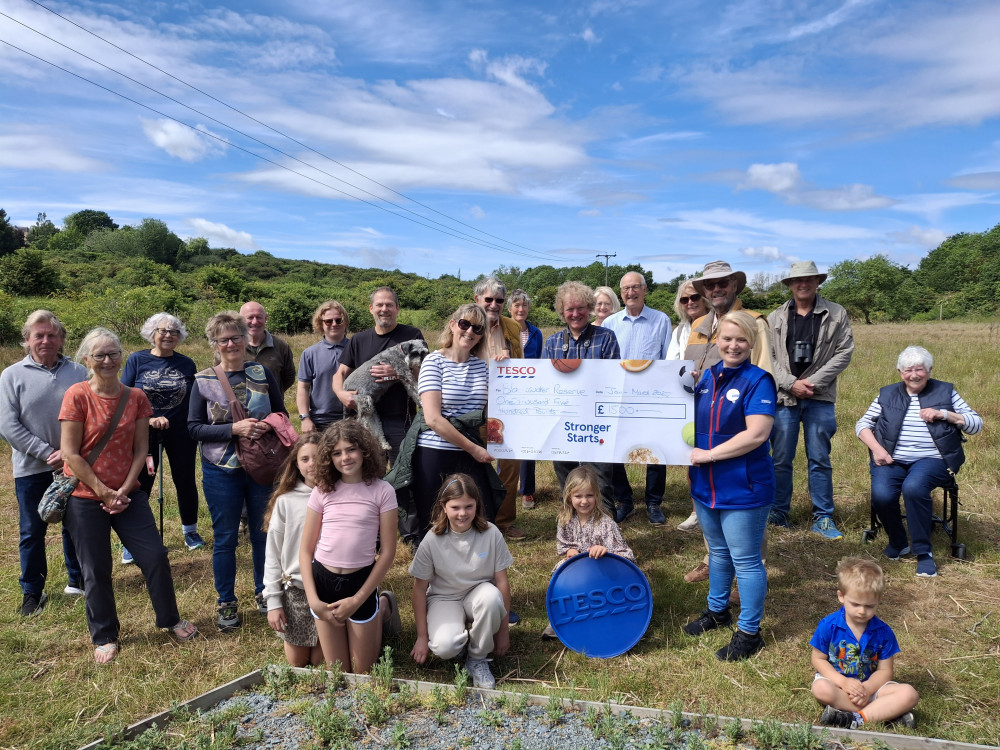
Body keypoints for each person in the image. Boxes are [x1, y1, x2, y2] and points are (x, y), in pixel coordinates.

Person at [60, 328, 197, 664]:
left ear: (122, 356)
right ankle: (105, 635)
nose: (108, 361)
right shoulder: (76, 395)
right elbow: (70, 454)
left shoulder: (135, 397)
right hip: (85, 495)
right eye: (100, 355)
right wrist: (103, 491)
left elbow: (141, 449)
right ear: (87, 360)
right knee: (95, 568)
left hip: (127, 494)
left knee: (154, 556)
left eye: (113, 354)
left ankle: (170, 619)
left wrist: (123, 490)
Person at [683, 311, 775, 661]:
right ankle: (717, 611)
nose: (733, 345)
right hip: (706, 487)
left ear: (751, 342)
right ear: (717, 340)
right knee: (718, 553)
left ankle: (750, 632)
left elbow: (757, 434)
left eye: (741, 340)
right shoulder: (706, 377)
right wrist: (679, 388)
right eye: (726, 338)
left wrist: (709, 455)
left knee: (747, 560)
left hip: (743, 487)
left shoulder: (759, 381)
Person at [189, 311, 288, 631]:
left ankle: (265, 592)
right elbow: (193, 429)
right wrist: (235, 429)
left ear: (246, 339)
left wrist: (265, 426)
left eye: (236, 337)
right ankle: (227, 601)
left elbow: (281, 413)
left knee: (263, 532)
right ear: (214, 344)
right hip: (221, 469)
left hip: (262, 467)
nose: (231, 343)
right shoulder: (203, 380)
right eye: (223, 339)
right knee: (225, 537)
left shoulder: (262, 372)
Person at [856, 345, 982, 578]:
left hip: (933, 459)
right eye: (908, 370)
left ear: (930, 369)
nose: (914, 375)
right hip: (891, 458)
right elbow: (862, 425)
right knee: (882, 495)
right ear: (899, 371)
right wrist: (877, 450)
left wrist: (945, 414)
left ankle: (924, 553)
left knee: (913, 488)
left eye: (919, 369)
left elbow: (976, 424)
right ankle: (898, 541)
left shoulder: (946, 393)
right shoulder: (887, 394)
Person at [683, 260, 773, 584]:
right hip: (703, 431)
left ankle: (746, 571)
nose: (716, 289)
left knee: (744, 508)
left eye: (723, 283)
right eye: (709, 285)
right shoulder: (698, 326)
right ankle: (713, 561)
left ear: (735, 285)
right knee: (709, 500)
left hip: (740, 431)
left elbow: (764, 375)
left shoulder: (754, 323)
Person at [1, 310, 86, 616]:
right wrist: (45, 451)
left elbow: (92, 414)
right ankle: (32, 593)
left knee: (75, 526)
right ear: (27, 340)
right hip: (31, 469)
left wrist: (68, 452)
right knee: (31, 531)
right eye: (39, 335)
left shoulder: (79, 371)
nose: (46, 340)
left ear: (62, 339)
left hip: (73, 465)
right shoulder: (11, 376)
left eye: (52, 334)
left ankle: (78, 581)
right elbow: (8, 425)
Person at [299, 421, 399, 673]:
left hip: (361, 583)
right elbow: (306, 551)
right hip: (324, 583)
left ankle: (383, 605)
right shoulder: (322, 490)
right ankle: (376, 612)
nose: (345, 457)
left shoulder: (383, 490)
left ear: (365, 451)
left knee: (362, 671)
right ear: (328, 458)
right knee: (339, 672)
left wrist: (357, 599)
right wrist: (314, 601)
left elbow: (387, 552)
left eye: (351, 449)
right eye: (337, 452)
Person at [767, 261, 854, 539]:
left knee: (819, 458)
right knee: (780, 459)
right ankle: (779, 512)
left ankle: (823, 517)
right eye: (797, 280)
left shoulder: (836, 313)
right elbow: (767, 358)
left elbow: (844, 352)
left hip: (820, 397)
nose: (802, 284)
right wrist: (792, 384)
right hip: (784, 397)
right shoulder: (775, 317)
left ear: (818, 282)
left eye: (808, 279)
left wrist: (812, 384)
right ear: (790, 285)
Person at [333, 287, 425, 545]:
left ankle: (410, 533)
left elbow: (423, 375)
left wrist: (397, 373)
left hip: (400, 419)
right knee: (366, 476)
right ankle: (370, 534)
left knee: (403, 475)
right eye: (379, 305)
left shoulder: (412, 336)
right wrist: (341, 394)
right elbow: (339, 373)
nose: (384, 309)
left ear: (397, 308)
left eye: (389, 305)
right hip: (365, 421)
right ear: (371, 309)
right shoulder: (359, 340)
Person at [409, 473, 513, 690]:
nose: (462, 513)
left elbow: (502, 582)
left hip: (478, 593)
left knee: (492, 598)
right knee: (445, 647)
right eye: (455, 507)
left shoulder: (491, 533)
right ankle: (462, 642)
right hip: (444, 597)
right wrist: (422, 636)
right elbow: (419, 589)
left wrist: (503, 632)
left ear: (477, 505)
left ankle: (478, 657)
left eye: (469, 506)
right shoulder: (431, 540)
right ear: (443, 506)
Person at [121, 313, 203, 555]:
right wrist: (148, 418)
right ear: (152, 333)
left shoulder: (186, 363)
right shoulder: (137, 360)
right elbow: (125, 397)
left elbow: (195, 398)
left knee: (185, 480)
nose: (168, 335)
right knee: (142, 481)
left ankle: (190, 530)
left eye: (174, 331)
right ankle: (134, 539)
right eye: (163, 330)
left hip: (181, 434)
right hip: (145, 434)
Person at [811, 557, 919, 729]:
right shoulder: (828, 625)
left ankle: (855, 718)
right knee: (820, 689)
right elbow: (818, 659)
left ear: (878, 601)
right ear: (841, 596)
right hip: (838, 685)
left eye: (869, 606)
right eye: (855, 604)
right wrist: (843, 682)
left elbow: (885, 671)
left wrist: (867, 689)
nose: (862, 611)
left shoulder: (884, 632)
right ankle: (885, 713)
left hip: (872, 688)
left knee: (909, 694)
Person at [542, 281, 620, 516]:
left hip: (596, 422)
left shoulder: (606, 337)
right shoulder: (552, 342)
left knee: (600, 478)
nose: (575, 314)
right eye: (569, 309)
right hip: (562, 422)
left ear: (589, 308)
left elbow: (613, 381)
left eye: (580, 308)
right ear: (561, 311)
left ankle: (606, 529)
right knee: (567, 479)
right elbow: (545, 385)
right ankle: (571, 527)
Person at [601, 271, 672, 525]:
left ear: (644, 290)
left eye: (635, 288)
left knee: (656, 450)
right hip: (618, 397)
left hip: (652, 396)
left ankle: (654, 502)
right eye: (626, 289)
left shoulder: (661, 320)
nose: (630, 293)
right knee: (615, 451)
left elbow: (668, 360)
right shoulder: (610, 323)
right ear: (621, 293)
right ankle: (625, 500)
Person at [542, 466, 635, 640]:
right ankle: (558, 618)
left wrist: (606, 551)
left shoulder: (606, 523)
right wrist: (570, 550)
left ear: (597, 496)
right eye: (578, 496)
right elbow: (564, 545)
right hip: (576, 572)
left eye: (589, 495)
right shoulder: (565, 520)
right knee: (559, 574)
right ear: (569, 496)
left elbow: (627, 557)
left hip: (602, 575)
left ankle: (607, 618)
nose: (584, 501)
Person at [262, 433, 324, 667]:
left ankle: (382, 609)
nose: (312, 464)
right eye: (305, 459)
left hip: (330, 590)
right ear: (296, 465)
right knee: (299, 665)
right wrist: (274, 602)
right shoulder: (286, 501)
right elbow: (273, 553)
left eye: (317, 457)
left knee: (323, 665)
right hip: (296, 590)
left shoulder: (341, 495)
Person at [473, 277, 525, 540]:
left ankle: (504, 522)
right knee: (475, 466)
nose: (494, 305)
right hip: (475, 409)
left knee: (510, 465)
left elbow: (523, 366)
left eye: (499, 300)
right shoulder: (466, 325)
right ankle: (478, 521)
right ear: (477, 300)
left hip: (506, 408)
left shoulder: (513, 328)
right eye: (489, 299)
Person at [667, 282, 712, 531]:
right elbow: (671, 363)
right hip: (687, 400)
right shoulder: (680, 331)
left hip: (715, 400)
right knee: (691, 457)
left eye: (695, 297)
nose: (690, 303)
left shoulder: (719, 324)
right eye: (684, 300)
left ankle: (715, 509)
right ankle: (697, 510)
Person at [507, 289, 542, 510]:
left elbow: (540, 362)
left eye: (525, 306)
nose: (521, 310)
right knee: (503, 441)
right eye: (517, 305)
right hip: (506, 393)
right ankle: (504, 487)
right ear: (509, 308)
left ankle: (527, 491)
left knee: (528, 442)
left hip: (529, 393)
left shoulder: (536, 333)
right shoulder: (499, 329)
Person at [297, 300, 349, 433]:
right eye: (328, 321)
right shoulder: (309, 353)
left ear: (345, 322)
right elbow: (303, 387)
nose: (334, 324)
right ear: (320, 324)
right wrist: (305, 418)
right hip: (320, 421)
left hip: (352, 418)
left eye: (338, 320)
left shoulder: (357, 348)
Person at [239, 301, 296, 393]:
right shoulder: (231, 345)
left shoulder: (281, 346)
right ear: (240, 320)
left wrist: (273, 394)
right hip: (240, 406)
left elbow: (289, 377)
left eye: (259, 317)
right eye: (250, 317)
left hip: (273, 406)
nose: (255, 322)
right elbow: (220, 377)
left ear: (266, 318)